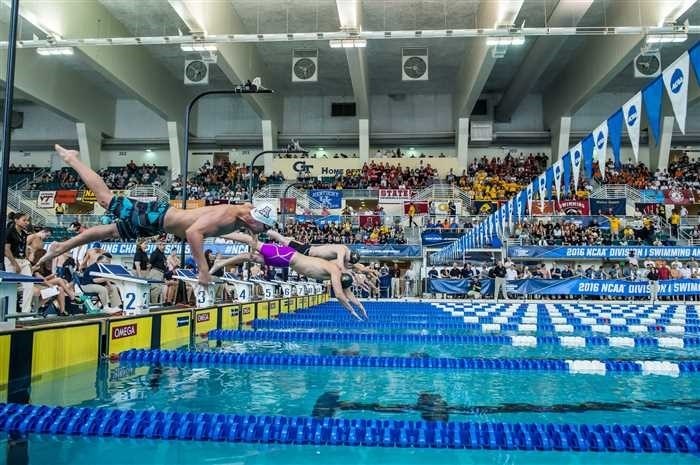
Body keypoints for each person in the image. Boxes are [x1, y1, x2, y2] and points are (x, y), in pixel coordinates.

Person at [35, 145, 277, 285]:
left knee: (111, 231)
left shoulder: (245, 213)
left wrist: (255, 239)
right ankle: (72, 159)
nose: (263, 232)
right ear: (254, 220)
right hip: (157, 216)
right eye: (263, 228)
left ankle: (60, 247)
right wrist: (203, 270)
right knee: (105, 199)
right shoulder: (227, 216)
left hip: (159, 226)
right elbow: (193, 234)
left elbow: (250, 218)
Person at [210, 232, 367, 320]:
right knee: (253, 243)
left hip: (287, 261)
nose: (338, 285)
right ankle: (225, 233)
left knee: (250, 256)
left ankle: (220, 263)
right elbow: (340, 294)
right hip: (287, 255)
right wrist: (351, 311)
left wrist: (359, 306)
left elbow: (347, 292)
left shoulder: (337, 274)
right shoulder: (335, 269)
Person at [3, 212, 33, 313]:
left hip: (23, 261)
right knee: (11, 287)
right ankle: (9, 312)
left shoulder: (24, 234)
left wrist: (27, 260)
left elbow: (24, 248)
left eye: (27, 220)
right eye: (24, 220)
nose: (26, 222)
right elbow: (6, 250)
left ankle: (25, 313)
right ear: (16, 220)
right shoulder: (9, 232)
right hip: (11, 260)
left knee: (29, 286)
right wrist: (15, 264)